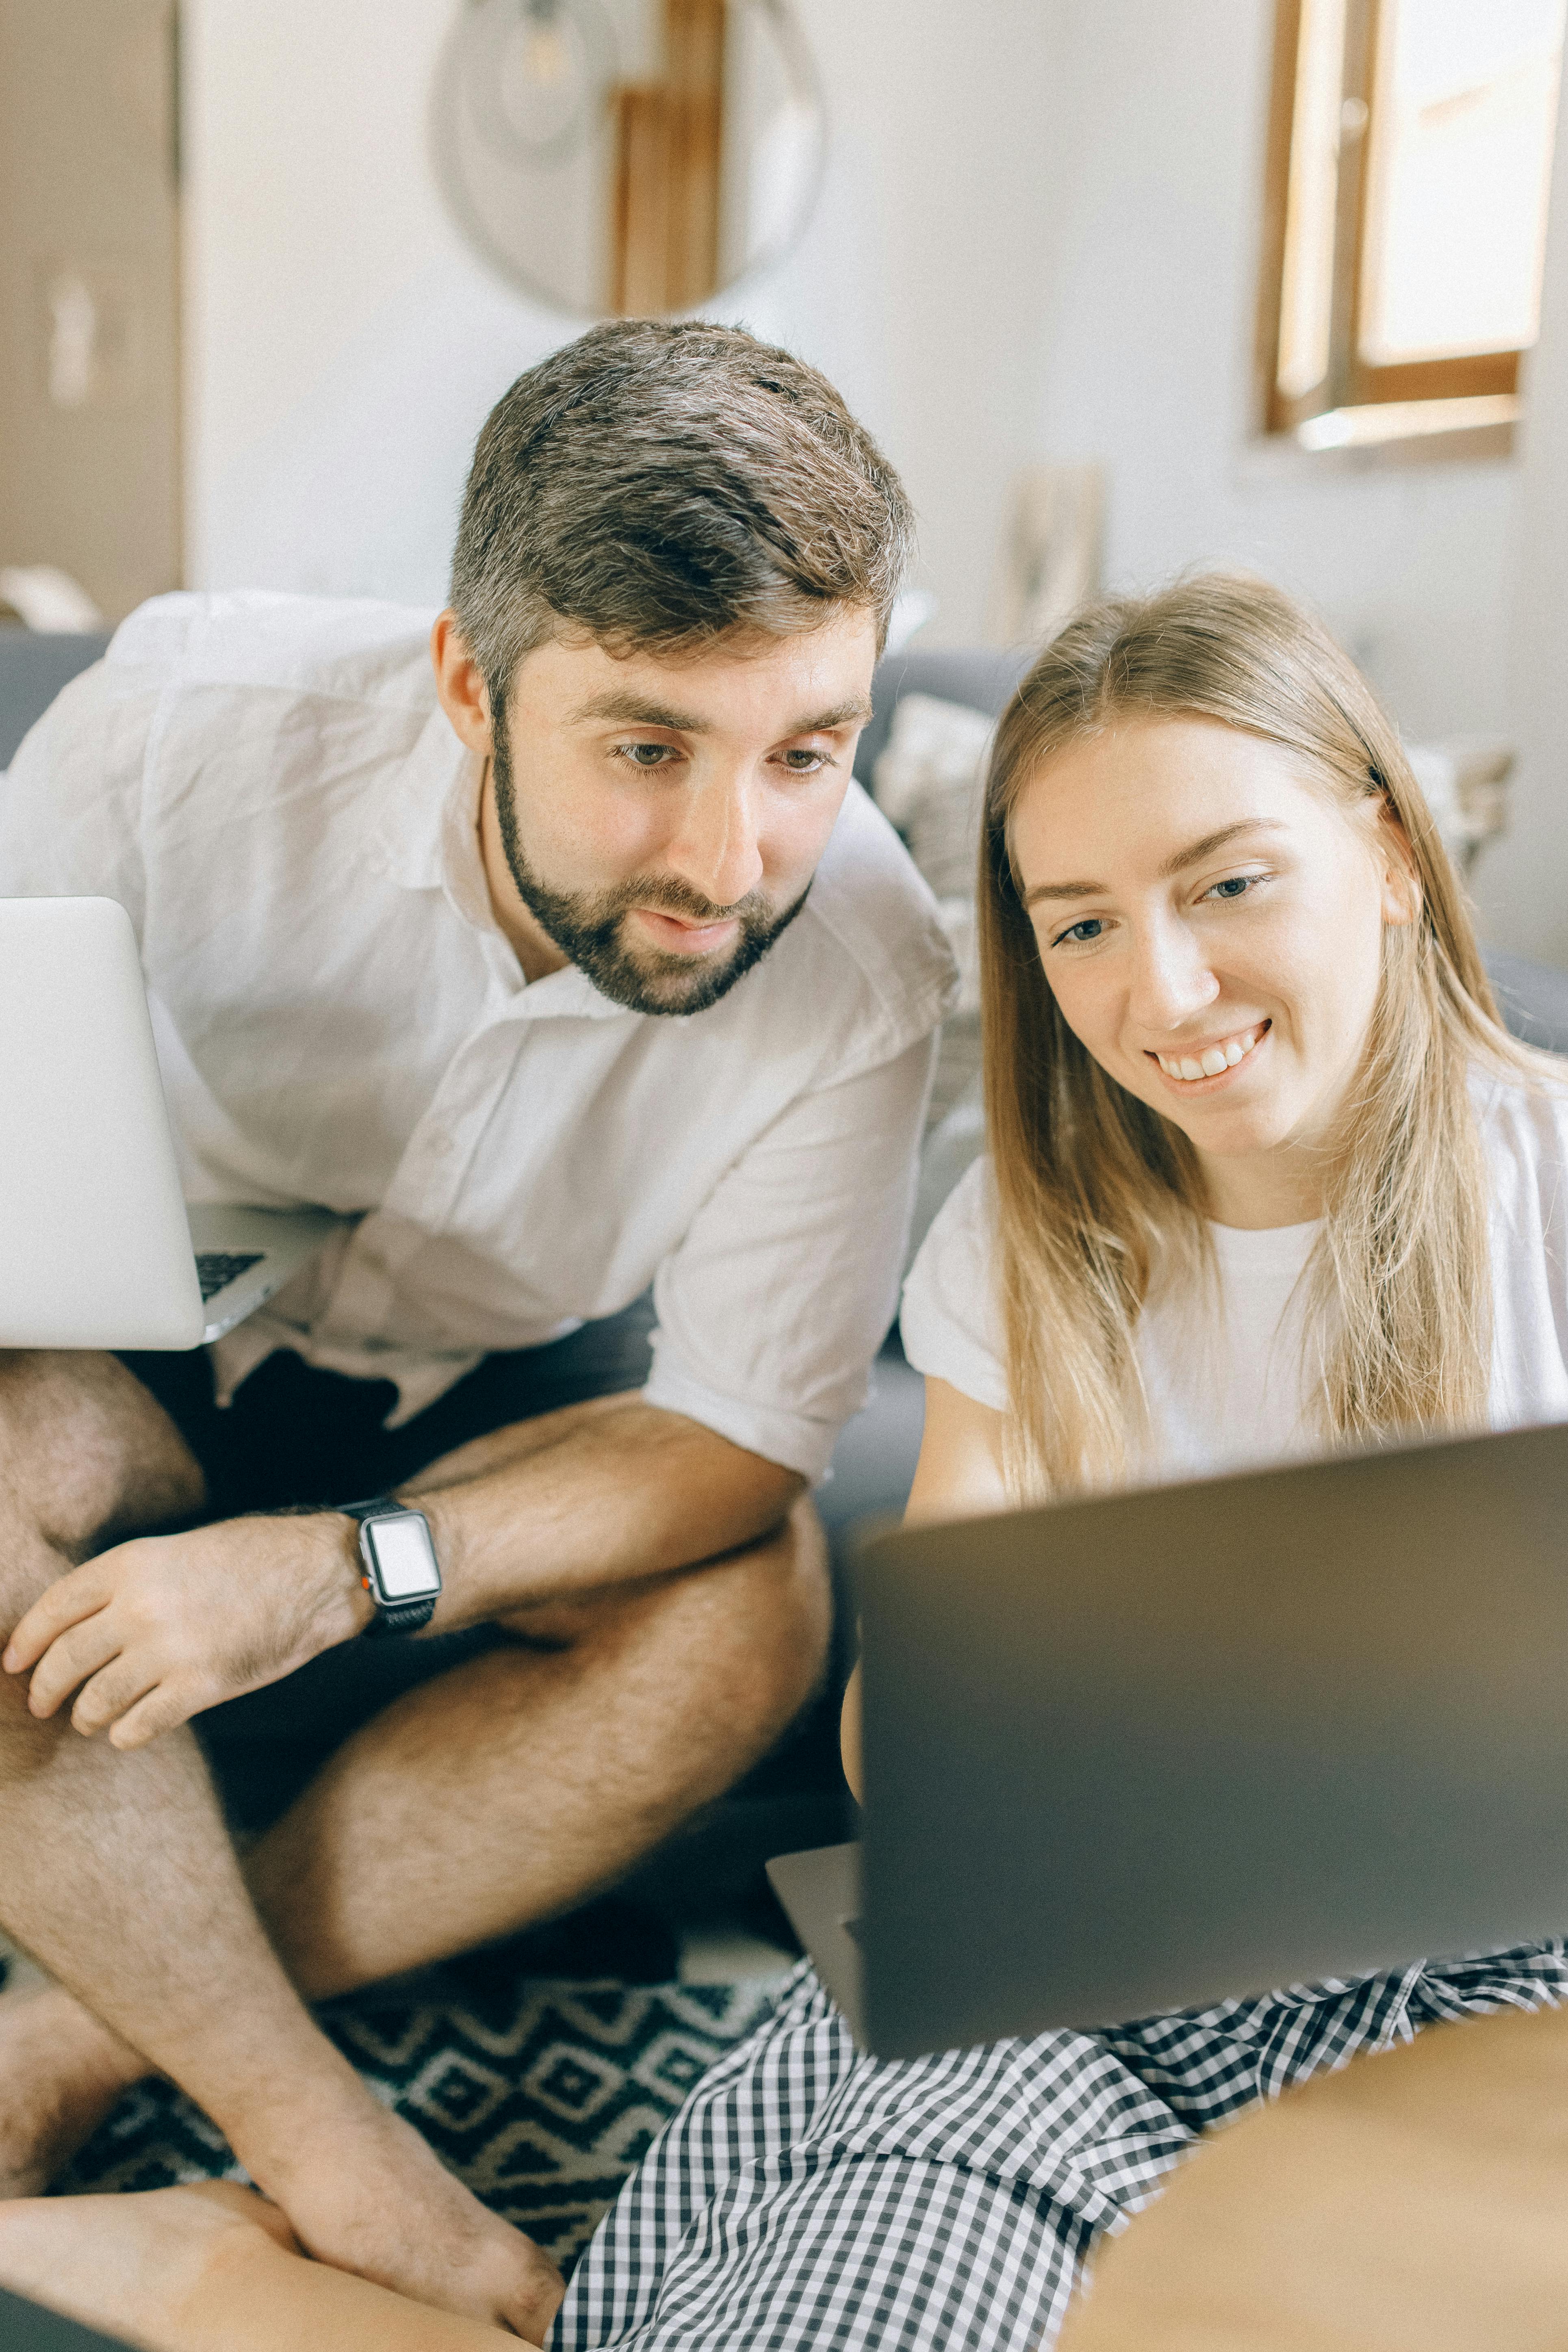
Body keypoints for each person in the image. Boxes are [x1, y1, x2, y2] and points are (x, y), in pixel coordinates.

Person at [0, 318, 954, 2340]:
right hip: (148, 1333)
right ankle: (321, 2132)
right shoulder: (173, 724)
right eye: (643, 748)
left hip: (506, 1389)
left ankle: (66, 2050)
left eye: (805, 750)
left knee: (753, 1605)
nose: (729, 862)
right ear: (467, 678)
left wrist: (335, 1571)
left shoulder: (861, 958)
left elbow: (735, 1441)